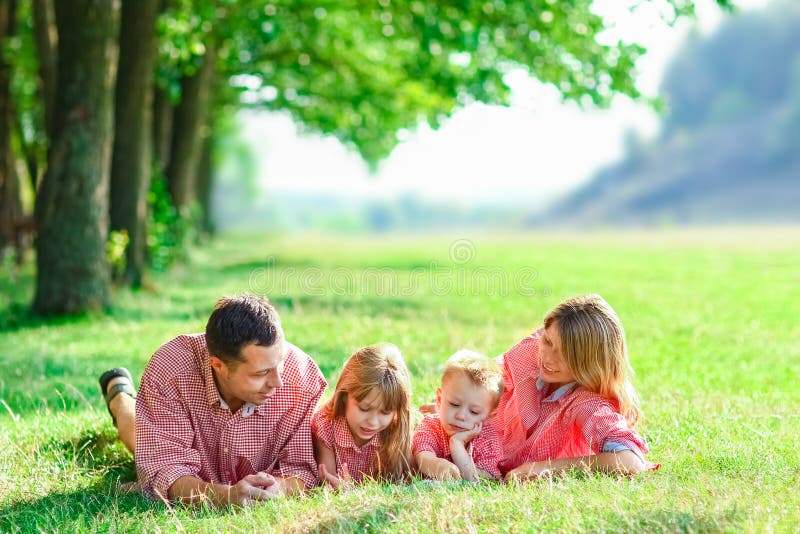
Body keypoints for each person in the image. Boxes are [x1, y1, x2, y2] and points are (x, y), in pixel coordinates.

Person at [98, 294, 327, 506]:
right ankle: (119, 397)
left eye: (281, 363)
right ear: (218, 365)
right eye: (261, 373)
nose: (279, 382)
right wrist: (225, 496)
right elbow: (163, 470)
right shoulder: (170, 371)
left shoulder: (302, 379)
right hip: (183, 447)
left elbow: (304, 468)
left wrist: (281, 488)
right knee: (140, 444)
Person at [495, 294, 655, 481]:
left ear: (590, 362)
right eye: (548, 341)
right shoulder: (532, 350)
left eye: (565, 355)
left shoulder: (586, 403)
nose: (547, 358)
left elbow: (630, 461)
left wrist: (543, 468)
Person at [312, 343, 413, 489]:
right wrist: (340, 488)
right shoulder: (325, 426)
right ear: (345, 396)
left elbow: (406, 482)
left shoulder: (396, 430)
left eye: (385, 412)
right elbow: (328, 481)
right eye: (364, 408)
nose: (373, 422)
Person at [413, 350, 504, 482]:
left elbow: (482, 480)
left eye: (474, 411)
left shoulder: (488, 440)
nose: (460, 416)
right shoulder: (431, 426)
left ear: (490, 416)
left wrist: (457, 444)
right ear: (439, 399)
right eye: (454, 404)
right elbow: (423, 458)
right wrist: (443, 468)